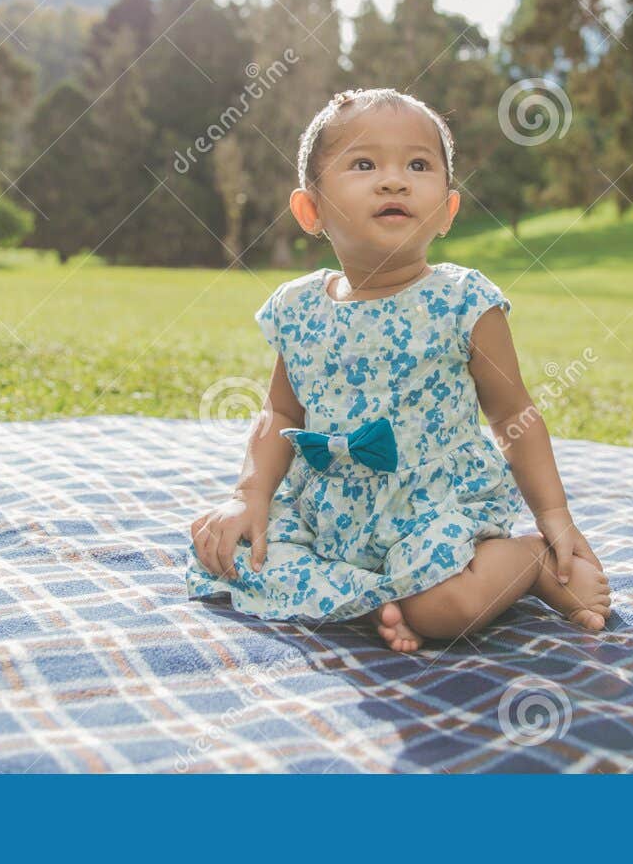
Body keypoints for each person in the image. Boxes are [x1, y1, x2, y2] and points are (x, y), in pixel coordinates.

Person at [185, 87, 610, 653]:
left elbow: (514, 414)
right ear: (311, 210)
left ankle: (528, 562)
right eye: (364, 164)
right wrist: (249, 495)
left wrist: (554, 516)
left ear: (447, 211)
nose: (394, 182)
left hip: (433, 509)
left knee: (443, 608)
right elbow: (281, 412)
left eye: (418, 165)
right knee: (229, 555)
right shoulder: (298, 307)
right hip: (330, 512)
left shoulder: (463, 302)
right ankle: (375, 600)